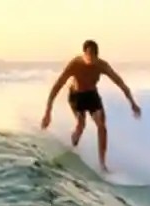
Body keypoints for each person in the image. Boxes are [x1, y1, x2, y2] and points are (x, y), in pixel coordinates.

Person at [40, 39, 141, 173]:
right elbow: (57, 86)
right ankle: (73, 145)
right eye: (88, 55)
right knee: (81, 124)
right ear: (84, 54)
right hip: (76, 96)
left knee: (102, 125)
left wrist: (132, 103)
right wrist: (48, 112)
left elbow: (120, 83)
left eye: (93, 56)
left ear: (97, 55)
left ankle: (102, 164)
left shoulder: (102, 65)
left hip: (92, 95)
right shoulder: (75, 64)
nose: (91, 59)